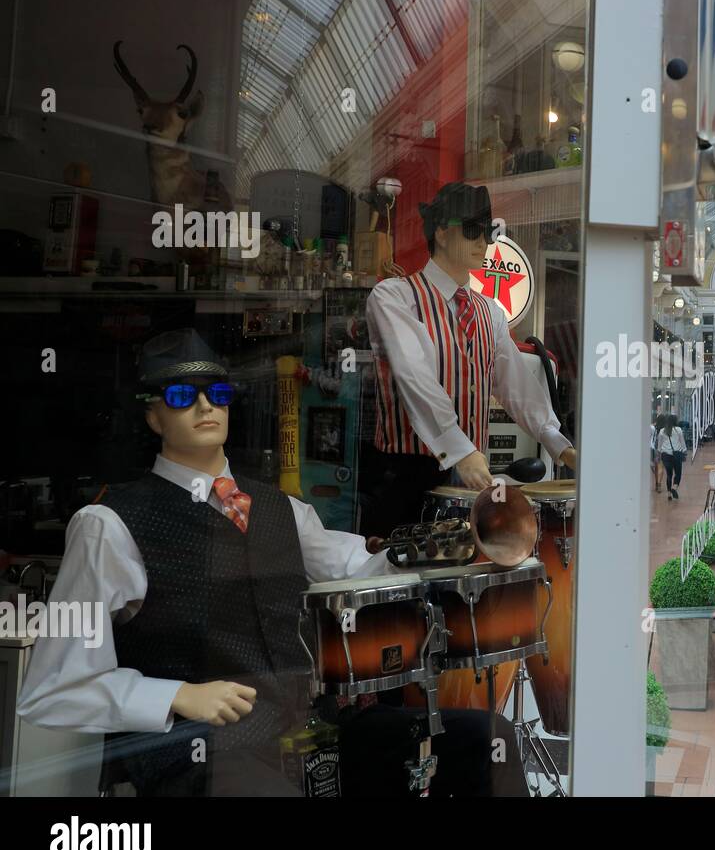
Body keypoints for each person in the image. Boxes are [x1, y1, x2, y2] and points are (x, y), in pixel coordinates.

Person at [16, 329, 525, 796]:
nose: (202, 406)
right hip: (199, 752)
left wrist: (460, 549)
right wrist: (175, 696)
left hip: (305, 736)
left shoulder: (283, 510)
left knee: (485, 740)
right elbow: (52, 688)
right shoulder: (109, 524)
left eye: (216, 394)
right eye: (179, 397)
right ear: (153, 416)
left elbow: (359, 565)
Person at [362, 181, 576, 538]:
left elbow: (516, 386)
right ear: (442, 233)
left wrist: (559, 444)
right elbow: (415, 376)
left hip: (467, 482)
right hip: (402, 481)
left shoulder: (489, 312)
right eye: (473, 230)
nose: (484, 243)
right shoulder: (395, 298)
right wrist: (459, 449)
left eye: (488, 233)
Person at [657, 414, 687, 500]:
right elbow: (682, 442)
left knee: (669, 475)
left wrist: (658, 454)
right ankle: (674, 488)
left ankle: (669, 494)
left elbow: (659, 445)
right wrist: (684, 451)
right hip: (677, 454)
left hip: (665, 455)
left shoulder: (662, 431)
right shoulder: (678, 430)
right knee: (678, 474)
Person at [650, 415, 662, 493]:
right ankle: (657, 484)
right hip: (652, 448)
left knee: (654, 466)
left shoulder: (651, 427)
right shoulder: (653, 428)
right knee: (657, 466)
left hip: (649, 448)